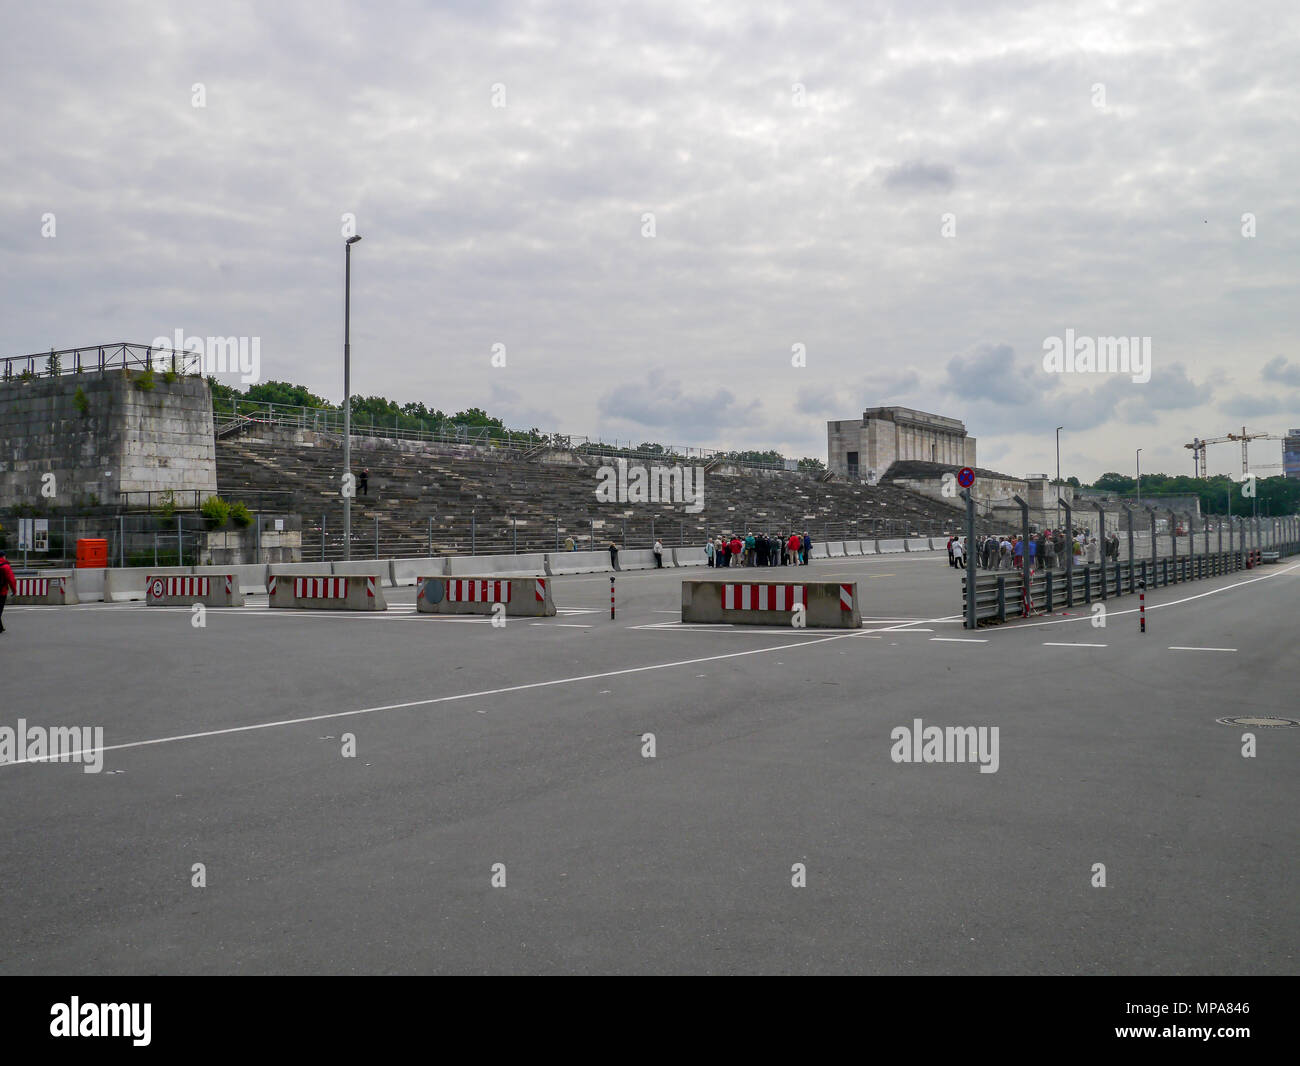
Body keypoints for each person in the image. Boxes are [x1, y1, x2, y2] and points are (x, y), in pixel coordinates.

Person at [0, 550, 16, 634]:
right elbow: (11, 580)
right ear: (3, 556)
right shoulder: (5, 566)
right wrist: (14, 590)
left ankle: (0, 627)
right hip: (1, 592)